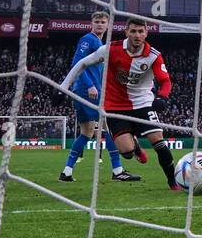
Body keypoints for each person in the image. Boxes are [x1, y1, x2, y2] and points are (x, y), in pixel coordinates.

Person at [60, 17, 180, 190]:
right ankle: (135, 147)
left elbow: (166, 82)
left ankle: (173, 182)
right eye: (133, 31)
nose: (137, 35)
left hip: (143, 104)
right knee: (127, 153)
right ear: (126, 32)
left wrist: (162, 97)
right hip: (115, 107)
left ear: (146, 33)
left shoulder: (154, 56)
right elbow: (82, 63)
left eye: (140, 31)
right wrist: (62, 88)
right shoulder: (111, 49)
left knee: (158, 141)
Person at [59, 10, 138, 183]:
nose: (100, 24)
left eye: (103, 22)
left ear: (108, 24)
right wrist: (90, 86)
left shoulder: (101, 44)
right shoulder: (88, 40)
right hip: (87, 91)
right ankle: (117, 170)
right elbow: (77, 64)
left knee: (86, 132)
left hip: (83, 92)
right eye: (97, 21)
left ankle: (66, 172)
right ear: (92, 23)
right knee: (109, 127)